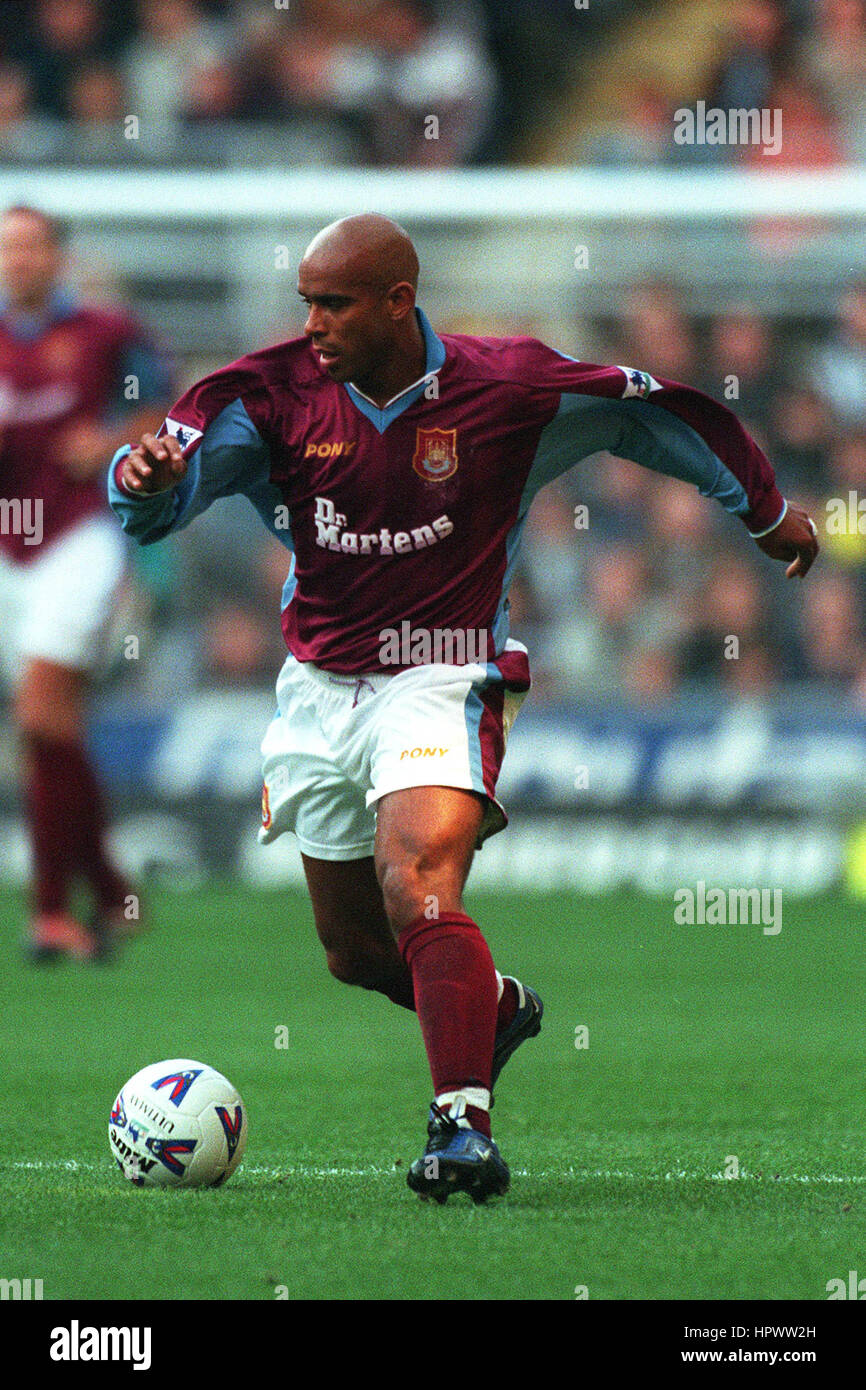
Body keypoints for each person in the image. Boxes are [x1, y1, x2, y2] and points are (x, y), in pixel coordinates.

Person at [108, 214, 818, 1203]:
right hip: (318, 687)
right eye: (305, 300)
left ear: (399, 300)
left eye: (334, 302)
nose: (310, 322)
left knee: (418, 876)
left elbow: (650, 412)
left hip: (446, 672)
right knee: (355, 952)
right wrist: (141, 486)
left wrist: (758, 504)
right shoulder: (266, 395)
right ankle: (492, 1007)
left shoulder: (509, 386)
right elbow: (160, 489)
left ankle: (459, 1130)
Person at [0, 204, 173, 961]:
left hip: (79, 537)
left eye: (33, 246)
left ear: (57, 257)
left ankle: (51, 916)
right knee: (52, 727)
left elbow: (172, 409)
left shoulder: (107, 334)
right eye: (8, 248)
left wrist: (107, 439)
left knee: (37, 716)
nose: (19, 260)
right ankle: (107, 888)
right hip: (7, 545)